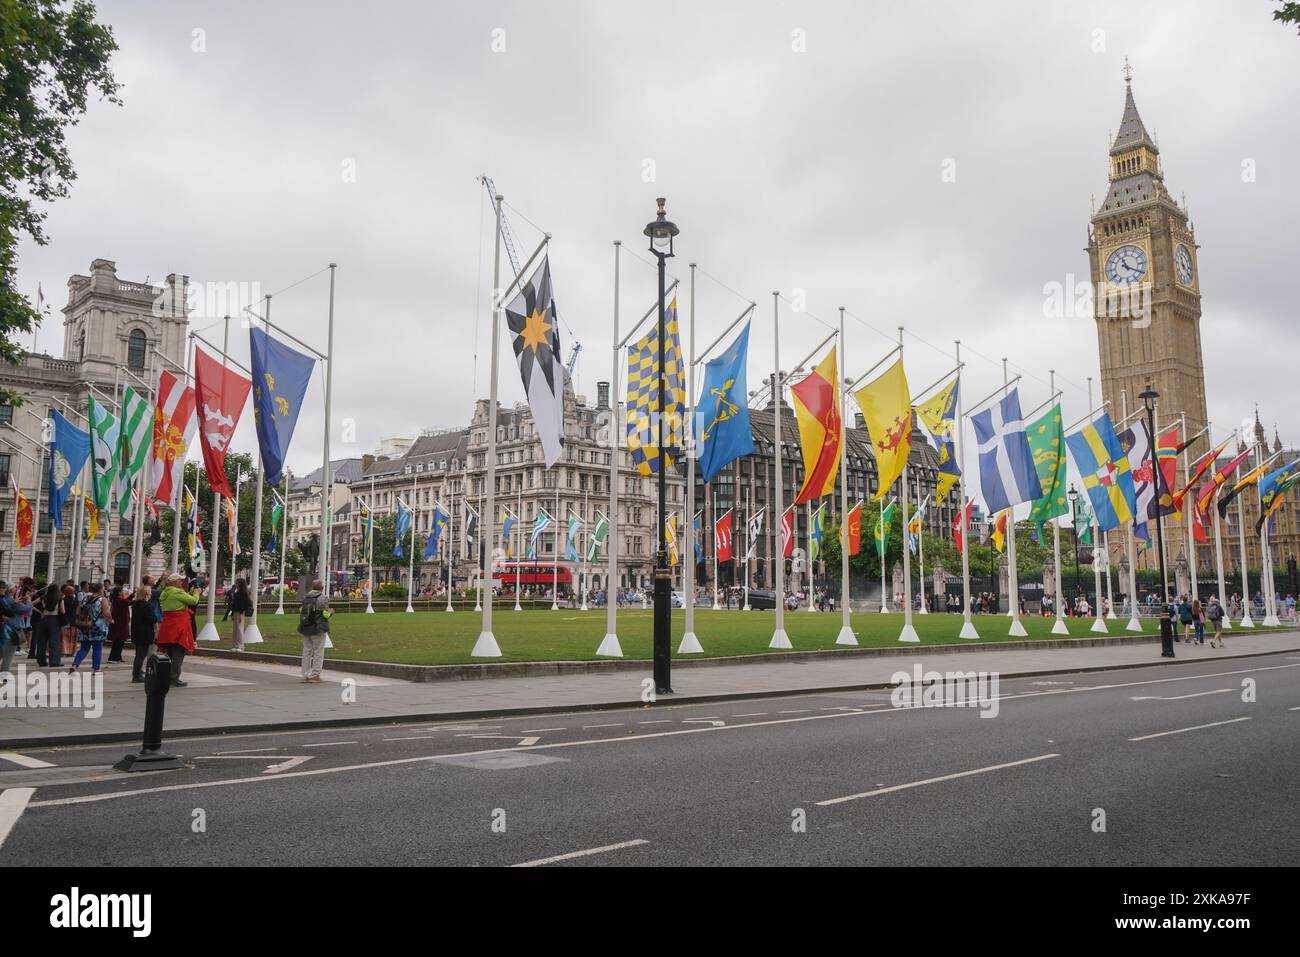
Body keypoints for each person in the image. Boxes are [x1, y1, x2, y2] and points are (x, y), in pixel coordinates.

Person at [157, 573, 201, 687]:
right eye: (180, 581)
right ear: (174, 582)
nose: (181, 583)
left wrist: (190, 593)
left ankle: (168, 676)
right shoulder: (177, 592)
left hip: (168, 626)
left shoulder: (165, 592)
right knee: (178, 653)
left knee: (170, 653)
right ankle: (174, 677)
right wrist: (196, 594)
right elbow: (193, 601)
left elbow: (182, 600)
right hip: (179, 626)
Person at [68, 581, 111, 674]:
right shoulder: (102, 599)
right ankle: (96, 668)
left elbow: (78, 610)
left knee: (84, 648)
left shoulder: (85, 598)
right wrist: (110, 620)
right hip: (98, 627)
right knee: (97, 648)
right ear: (100, 590)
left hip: (85, 626)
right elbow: (106, 612)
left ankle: (75, 664)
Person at [298, 579, 332, 683]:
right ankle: (315, 674)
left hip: (305, 627)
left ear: (312, 587)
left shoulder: (306, 597)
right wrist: (331, 612)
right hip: (318, 628)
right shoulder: (323, 598)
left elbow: (301, 610)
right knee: (318, 651)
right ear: (322, 588)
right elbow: (325, 614)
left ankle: (305, 674)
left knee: (307, 651)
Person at [129, 584, 156, 683]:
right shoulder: (146, 605)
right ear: (147, 594)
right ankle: (136, 675)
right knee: (141, 655)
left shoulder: (136, 604)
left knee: (138, 654)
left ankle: (137, 672)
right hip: (145, 632)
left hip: (136, 631)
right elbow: (153, 618)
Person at [32, 583, 63, 668]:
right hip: (54, 619)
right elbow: (63, 611)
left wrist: (40, 612)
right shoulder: (59, 598)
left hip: (44, 619)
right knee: (54, 641)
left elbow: (30, 604)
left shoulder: (43, 597)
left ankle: (41, 661)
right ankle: (54, 661)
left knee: (41, 641)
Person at [107, 584, 132, 663]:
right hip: (119, 624)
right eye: (121, 591)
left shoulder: (118, 600)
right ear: (118, 592)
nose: (122, 592)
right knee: (118, 641)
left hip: (120, 623)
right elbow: (128, 602)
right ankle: (113, 658)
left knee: (119, 642)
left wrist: (133, 594)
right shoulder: (119, 600)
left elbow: (127, 600)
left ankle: (118, 656)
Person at [227, 578, 252, 651]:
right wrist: (232, 614)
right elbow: (234, 604)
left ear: (240, 584)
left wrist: (241, 613)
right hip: (235, 611)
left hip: (240, 612)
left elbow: (244, 604)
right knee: (235, 629)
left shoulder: (243, 593)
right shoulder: (236, 592)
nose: (236, 584)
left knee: (239, 629)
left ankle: (240, 645)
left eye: (237, 583)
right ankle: (235, 645)